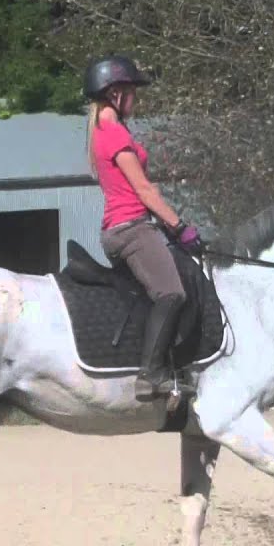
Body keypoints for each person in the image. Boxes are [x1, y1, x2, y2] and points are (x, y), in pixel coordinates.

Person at [84, 53, 203, 401]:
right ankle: (150, 376)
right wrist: (178, 225)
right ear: (116, 93)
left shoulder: (105, 129)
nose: (136, 98)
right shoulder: (114, 133)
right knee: (172, 293)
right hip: (131, 228)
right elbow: (144, 189)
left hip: (130, 225)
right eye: (133, 91)